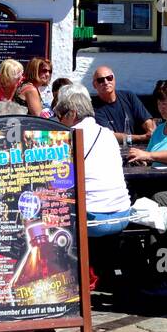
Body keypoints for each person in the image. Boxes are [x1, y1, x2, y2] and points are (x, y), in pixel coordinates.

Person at [54, 84, 133, 236]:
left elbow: (58, 182)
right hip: (123, 214)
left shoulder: (67, 138)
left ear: (72, 113)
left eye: (60, 115)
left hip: (92, 218)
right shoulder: (108, 133)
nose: (58, 120)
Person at [90, 66, 156, 144]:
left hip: (141, 147)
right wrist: (142, 137)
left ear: (114, 80)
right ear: (94, 85)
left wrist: (151, 131)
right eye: (100, 80)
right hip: (115, 148)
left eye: (109, 78)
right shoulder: (94, 107)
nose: (106, 82)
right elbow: (110, 136)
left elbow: (146, 119)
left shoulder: (128, 96)